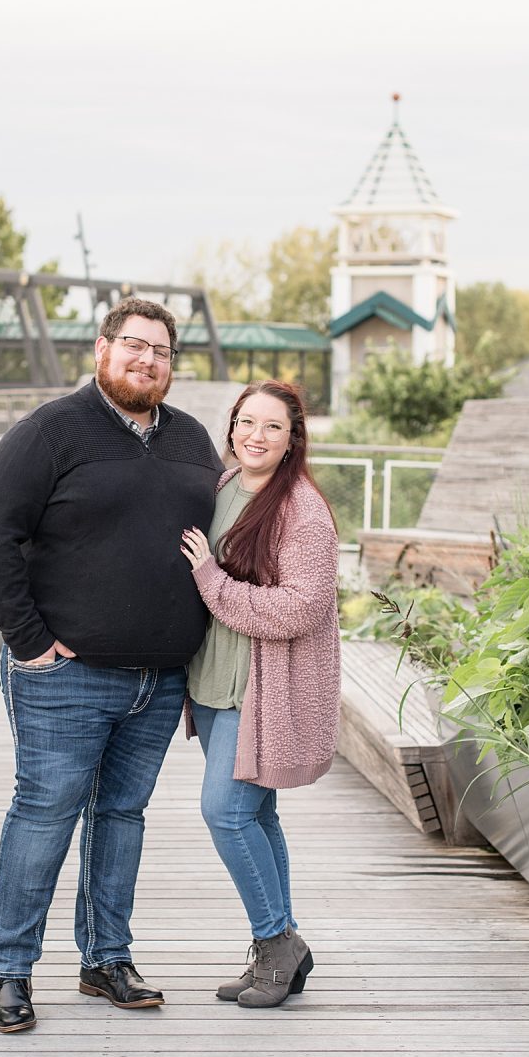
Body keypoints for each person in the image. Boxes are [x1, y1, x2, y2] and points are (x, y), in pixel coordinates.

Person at [0, 298, 223, 1033]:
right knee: (44, 816)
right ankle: (10, 970)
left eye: (162, 352)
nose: (148, 361)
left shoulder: (192, 439)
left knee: (120, 819)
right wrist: (27, 640)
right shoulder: (49, 431)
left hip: (159, 678)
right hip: (64, 675)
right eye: (135, 346)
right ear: (103, 348)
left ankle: (105, 958)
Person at [179, 380, 340, 1009]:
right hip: (215, 680)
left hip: (264, 687)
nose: (256, 435)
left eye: (273, 427)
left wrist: (210, 581)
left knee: (225, 812)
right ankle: (277, 952)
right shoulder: (222, 488)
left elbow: (304, 607)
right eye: (247, 421)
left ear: (293, 438)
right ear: (232, 425)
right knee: (257, 815)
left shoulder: (302, 510)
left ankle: (276, 941)